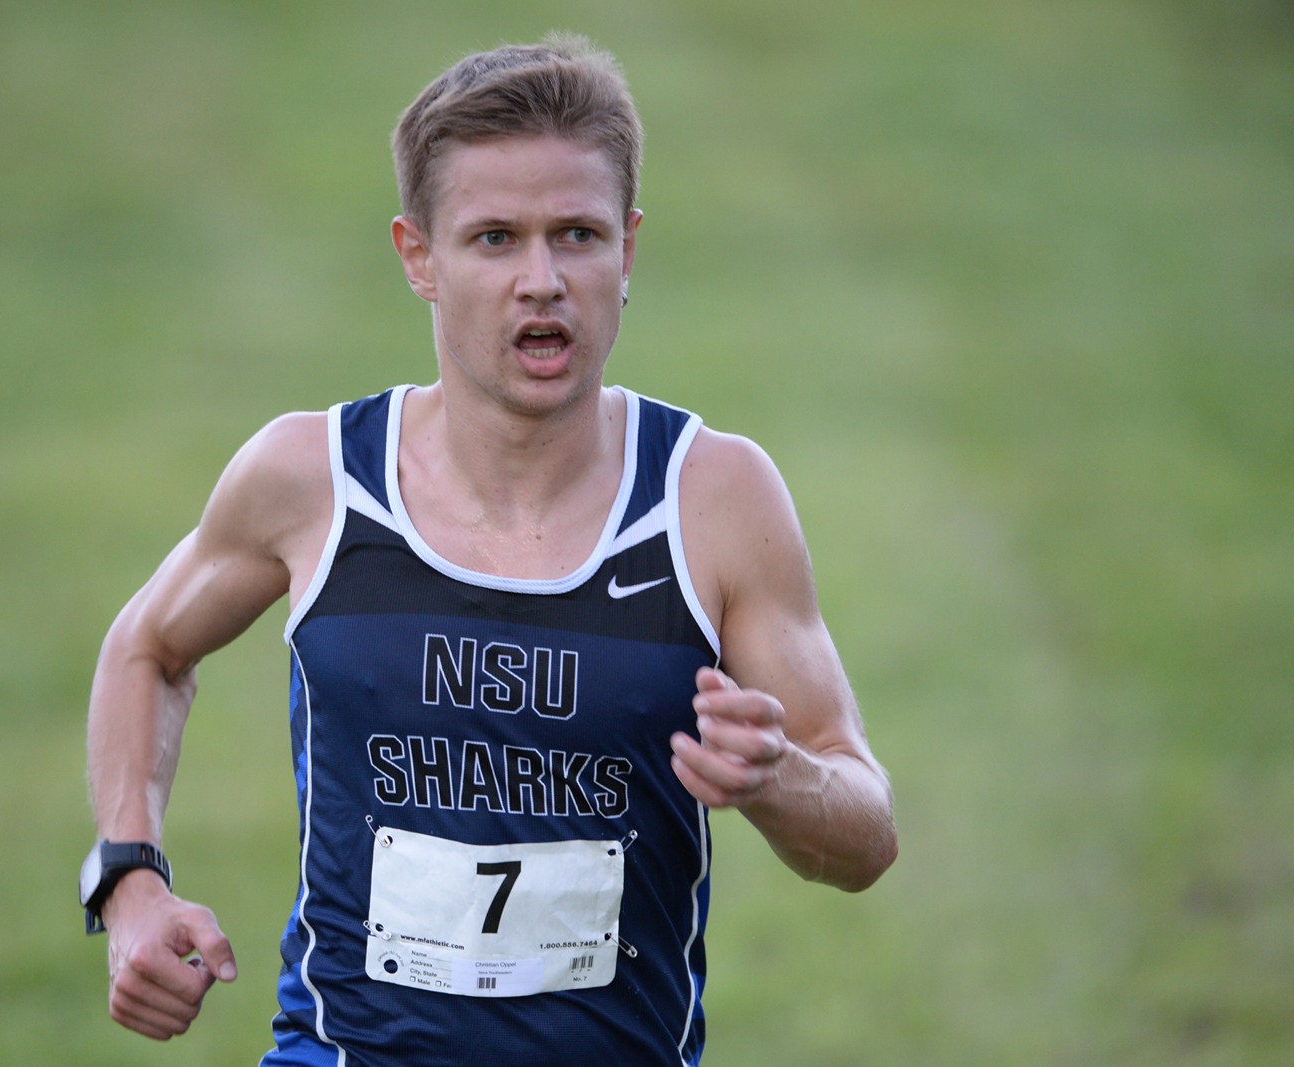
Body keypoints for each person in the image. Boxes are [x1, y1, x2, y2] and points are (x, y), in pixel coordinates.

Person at [81, 33, 896, 1066]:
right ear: (417, 255)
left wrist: (777, 778)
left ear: (629, 250)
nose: (543, 280)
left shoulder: (714, 498)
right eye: (495, 238)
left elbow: (865, 831)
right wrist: (130, 880)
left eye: (578, 235)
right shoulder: (312, 478)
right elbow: (146, 646)